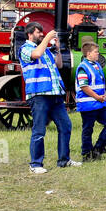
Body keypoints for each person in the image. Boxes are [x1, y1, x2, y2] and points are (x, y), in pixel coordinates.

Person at [20, 23, 77, 174]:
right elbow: (36, 55)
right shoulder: (25, 49)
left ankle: (64, 160)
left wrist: (57, 49)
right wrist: (47, 39)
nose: (41, 35)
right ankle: (35, 164)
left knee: (66, 126)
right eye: (39, 32)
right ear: (30, 34)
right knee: (39, 130)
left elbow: (58, 64)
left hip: (55, 94)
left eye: (42, 33)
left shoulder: (45, 50)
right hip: (39, 95)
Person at [75, 40, 106, 162]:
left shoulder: (97, 65)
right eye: (96, 52)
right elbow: (84, 86)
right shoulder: (82, 67)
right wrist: (97, 97)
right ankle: (86, 153)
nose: (98, 54)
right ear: (88, 54)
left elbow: (100, 82)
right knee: (88, 129)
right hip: (88, 104)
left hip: (100, 103)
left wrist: (103, 94)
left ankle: (98, 148)